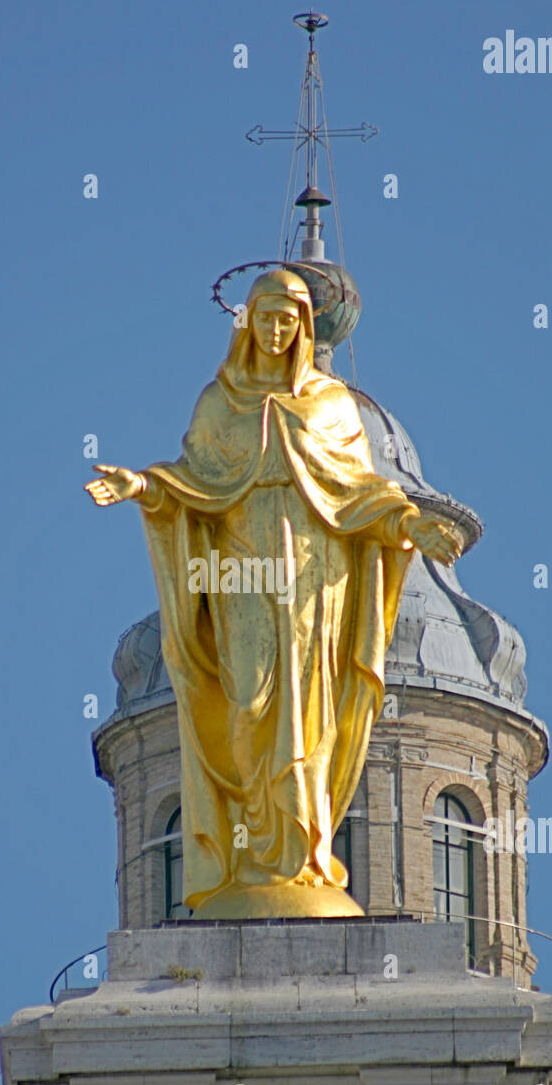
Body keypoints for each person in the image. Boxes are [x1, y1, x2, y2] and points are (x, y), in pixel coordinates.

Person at [85, 268, 462, 917]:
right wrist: (141, 487)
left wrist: (410, 523)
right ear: (248, 322)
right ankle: (253, 852)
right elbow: (193, 481)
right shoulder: (219, 403)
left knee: (307, 717)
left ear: (303, 327)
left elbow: (360, 495)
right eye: (266, 316)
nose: (277, 328)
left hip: (317, 588)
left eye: (289, 319)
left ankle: (301, 857)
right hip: (242, 577)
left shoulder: (330, 408)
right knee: (249, 700)